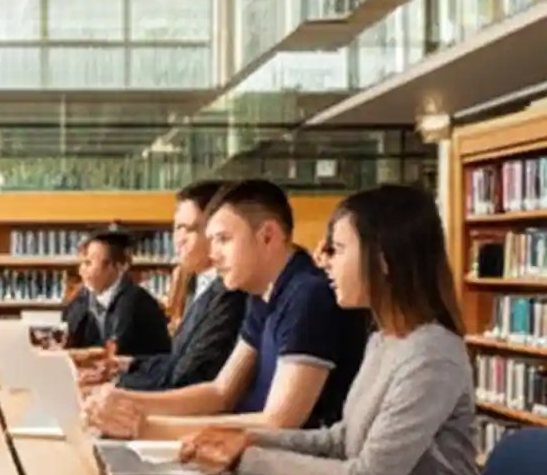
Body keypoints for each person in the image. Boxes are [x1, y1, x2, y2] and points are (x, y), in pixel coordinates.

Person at [180, 185, 494, 475]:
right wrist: (246, 438)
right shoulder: (384, 340)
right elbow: (341, 439)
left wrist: (246, 459)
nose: (323, 260)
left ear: (383, 260)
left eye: (337, 249)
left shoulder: (432, 355)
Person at [84, 179, 368, 440]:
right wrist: (126, 401)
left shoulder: (308, 295)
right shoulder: (262, 294)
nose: (213, 254)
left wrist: (143, 427)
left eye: (223, 239)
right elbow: (221, 392)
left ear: (267, 236)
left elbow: (280, 422)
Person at [104, 180, 248, 391]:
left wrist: (116, 386)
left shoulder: (232, 291)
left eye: (187, 229)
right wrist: (127, 365)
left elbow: (193, 374)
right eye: (176, 228)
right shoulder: (198, 283)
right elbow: (178, 359)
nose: (179, 240)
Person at [61, 230, 171, 357]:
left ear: (117, 267)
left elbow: (117, 351)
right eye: (82, 264)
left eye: (88, 263)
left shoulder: (137, 303)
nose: (81, 270)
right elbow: (67, 340)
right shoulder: (79, 301)